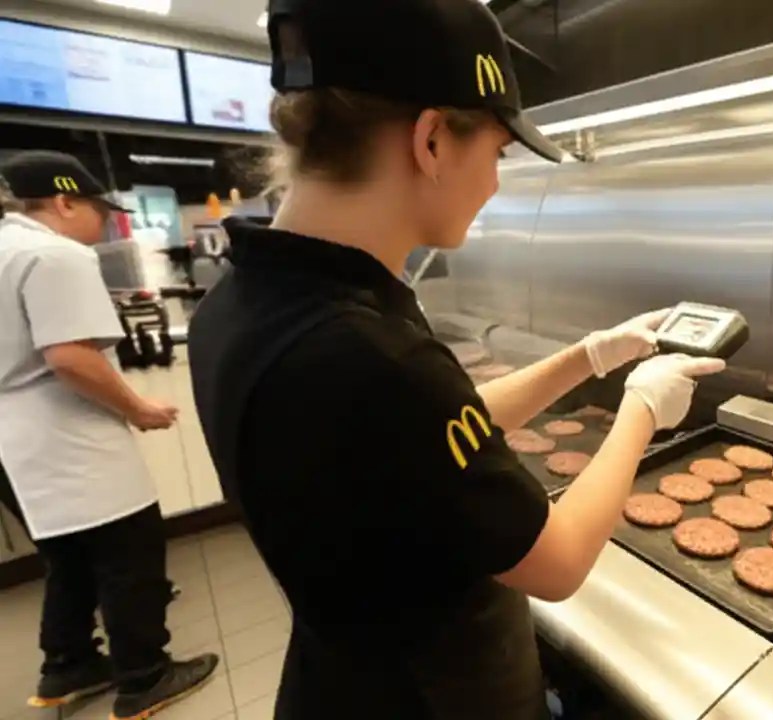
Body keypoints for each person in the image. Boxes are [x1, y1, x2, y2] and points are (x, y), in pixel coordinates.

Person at [186, 0, 727, 717]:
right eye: (498, 152)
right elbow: (558, 560)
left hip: (338, 683)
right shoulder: (368, 353)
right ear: (433, 139)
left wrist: (588, 357)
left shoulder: (246, 301)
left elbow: (419, 443)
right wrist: (642, 408)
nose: (498, 182)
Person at [0, 151, 219, 719]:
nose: (105, 223)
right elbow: (71, 357)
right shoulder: (54, 254)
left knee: (69, 560)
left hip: (20, 442)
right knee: (130, 555)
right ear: (65, 201)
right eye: (99, 210)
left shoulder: (5, 249)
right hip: (70, 434)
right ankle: (146, 676)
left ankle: (68, 664)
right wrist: (137, 407)